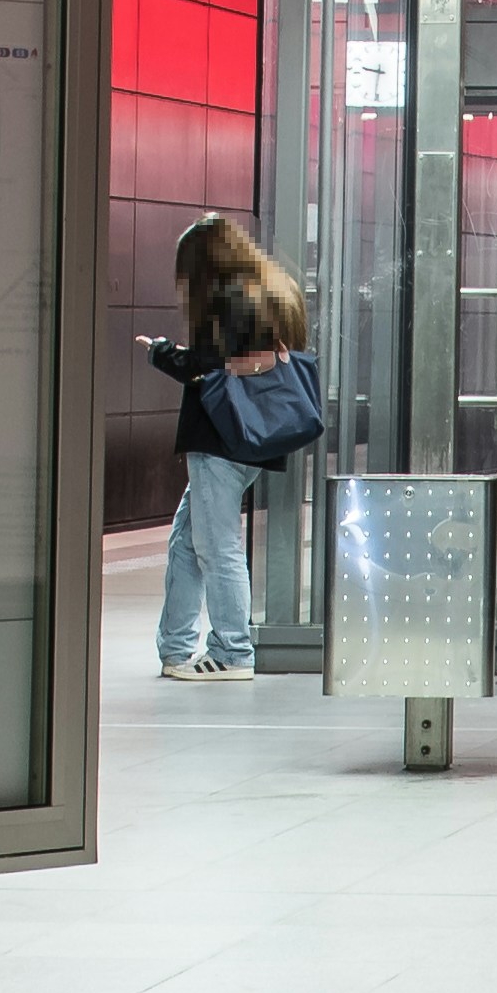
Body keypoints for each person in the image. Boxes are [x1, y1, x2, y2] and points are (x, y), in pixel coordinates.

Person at [141, 216, 314, 681]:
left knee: (217, 548)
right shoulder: (272, 291)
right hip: (252, 439)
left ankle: (232, 651)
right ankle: (175, 647)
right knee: (186, 540)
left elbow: (204, 365)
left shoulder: (230, 299)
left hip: (220, 439)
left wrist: (160, 352)